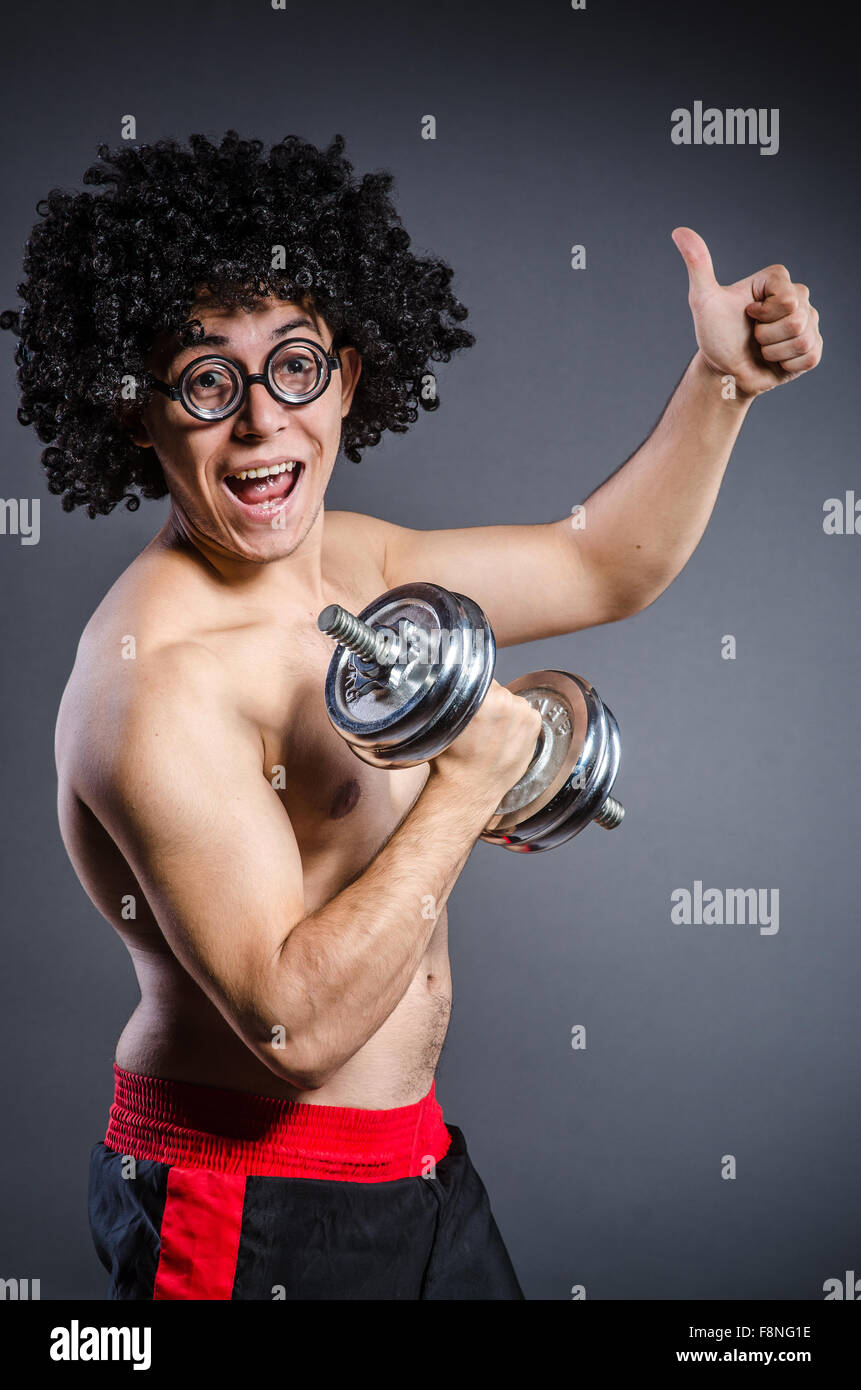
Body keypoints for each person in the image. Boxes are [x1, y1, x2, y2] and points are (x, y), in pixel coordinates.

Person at [3, 131, 822, 1300]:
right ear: (139, 412)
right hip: (250, 1208)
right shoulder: (155, 680)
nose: (262, 424)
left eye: (293, 367)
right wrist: (467, 784)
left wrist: (722, 384)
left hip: (417, 1164)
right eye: (206, 382)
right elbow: (293, 1033)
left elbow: (603, 567)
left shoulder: (355, 560)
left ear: (346, 376)